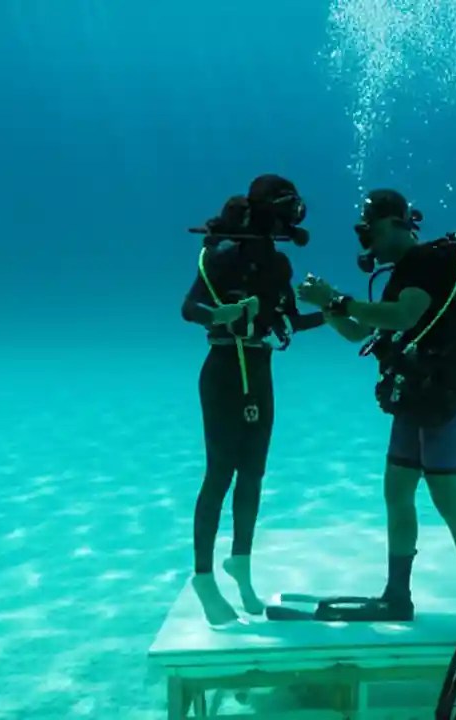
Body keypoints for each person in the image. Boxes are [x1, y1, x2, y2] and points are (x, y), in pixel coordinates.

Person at [295, 189, 456, 628]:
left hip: (443, 394)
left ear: (393, 222)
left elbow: (405, 316)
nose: (363, 237)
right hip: (412, 394)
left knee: (446, 496)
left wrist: (336, 299)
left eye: (367, 227)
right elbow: (359, 331)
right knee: (396, 491)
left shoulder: (432, 260)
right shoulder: (402, 271)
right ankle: (397, 594)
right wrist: (329, 307)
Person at [181, 174, 325, 625]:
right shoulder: (221, 255)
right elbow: (189, 307)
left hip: (259, 371)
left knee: (254, 474)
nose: (292, 219)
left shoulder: (278, 264)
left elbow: (291, 322)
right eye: (287, 209)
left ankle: (239, 564)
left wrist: (338, 310)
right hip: (224, 369)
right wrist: (217, 313)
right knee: (220, 474)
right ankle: (203, 577)